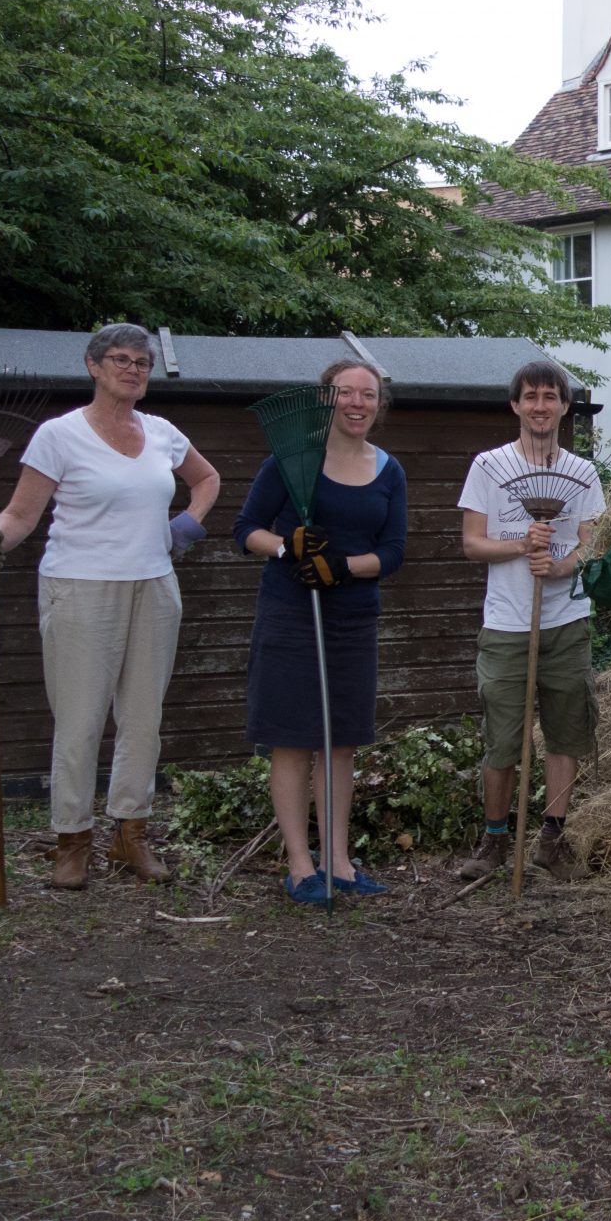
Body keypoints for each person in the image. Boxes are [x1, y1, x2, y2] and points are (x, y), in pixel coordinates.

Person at [0, 324, 221, 890]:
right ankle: (72, 840)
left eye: (142, 363)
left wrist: (186, 526)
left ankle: (131, 836)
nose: (132, 370)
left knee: (143, 719)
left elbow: (206, 479)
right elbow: (21, 514)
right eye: (120, 360)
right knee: (80, 721)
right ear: (94, 366)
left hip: (154, 587)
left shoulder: (161, 431)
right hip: (80, 588)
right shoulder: (59, 435)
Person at [234, 360, 408, 904]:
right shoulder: (291, 464)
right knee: (293, 738)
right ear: (325, 399)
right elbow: (245, 530)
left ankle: (338, 861)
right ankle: (299, 864)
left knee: (341, 743)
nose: (358, 403)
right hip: (291, 612)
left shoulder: (389, 471)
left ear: (379, 405)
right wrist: (290, 549)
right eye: (346, 393)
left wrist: (341, 566)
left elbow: (393, 552)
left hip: (352, 619)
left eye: (369, 395)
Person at [456, 361, 607, 883]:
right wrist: (522, 545)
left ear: (565, 406)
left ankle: (551, 838)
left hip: (566, 620)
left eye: (551, 396)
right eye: (531, 396)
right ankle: (495, 840)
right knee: (502, 739)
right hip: (507, 624)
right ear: (515, 405)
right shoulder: (489, 466)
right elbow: (472, 542)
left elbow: (592, 545)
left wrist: (562, 565)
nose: (541, 405)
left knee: (566, 734)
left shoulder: (582, 473)